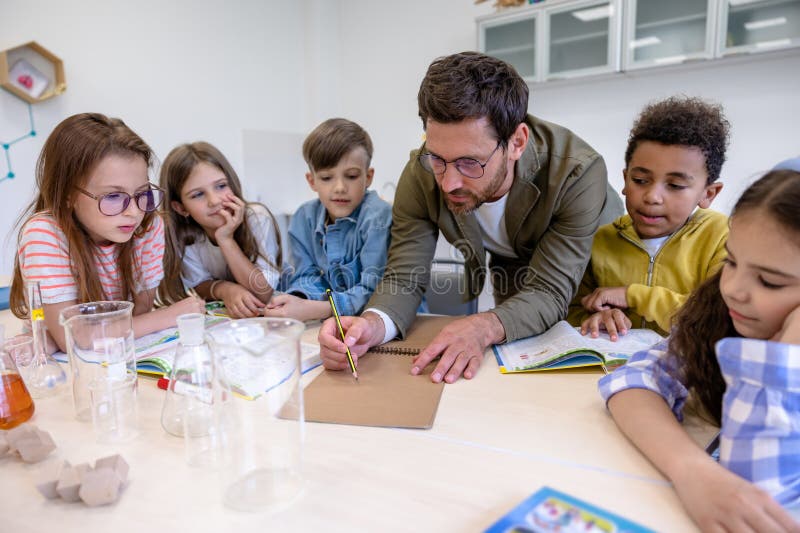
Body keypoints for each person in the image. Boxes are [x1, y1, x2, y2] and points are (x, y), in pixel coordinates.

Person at [318, 51, 623, 383]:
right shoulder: (420, 173)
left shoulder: (576, 172)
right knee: (508, 378)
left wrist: (483, 324)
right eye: (438, 159)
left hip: (595, 284)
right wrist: (374, 324)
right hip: (516, 272)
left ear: (516, 142)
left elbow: (550, 291)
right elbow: (404, 275)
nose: (449, 182)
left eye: (469, 163)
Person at [598, 169, 800, 532]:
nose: (734, 289)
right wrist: (692, 470)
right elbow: (634, 378)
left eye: (769, 281)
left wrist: (782, 362)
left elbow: (766, 502)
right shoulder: (718, 314)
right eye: (731, 262)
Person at [10, 112, 204, 352]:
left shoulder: (149, 226)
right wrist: (169, 315)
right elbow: (74, 338)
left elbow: (138, 314)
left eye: (142, 193)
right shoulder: (45, 234)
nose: (134, 212)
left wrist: (80, 336)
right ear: (68, 194)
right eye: (113, 196)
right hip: (59, 365)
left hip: (115, 354)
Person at [568, 96, 730, 338]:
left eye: (675, 185)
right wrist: (594, 318)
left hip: (690, 371)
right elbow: (573, 310)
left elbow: (716, 317)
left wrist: (633, 295)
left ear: (708, 194)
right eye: (640, 181)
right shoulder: (601, 240)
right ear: (625, 180)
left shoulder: (720, 237)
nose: (653, 196)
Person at [264, 118, 392, 322]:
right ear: (311, 180)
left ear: (368, 177)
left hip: (388, 325)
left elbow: (375, 291)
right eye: (326, 178)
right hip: (336, 323)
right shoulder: (303, 219)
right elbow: (308, 276)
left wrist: (320, 309)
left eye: (351, 176)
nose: (340, 187)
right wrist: (297, 300)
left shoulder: (378, 217)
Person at [159, 141, 281, 318]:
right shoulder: (185, 236)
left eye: (221, 186)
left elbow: (263, 292)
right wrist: (226, 290)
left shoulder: (257, 218)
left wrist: (226, 239)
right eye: (198, 194)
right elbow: (199, 283)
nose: (214, 200)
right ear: (180, 208)